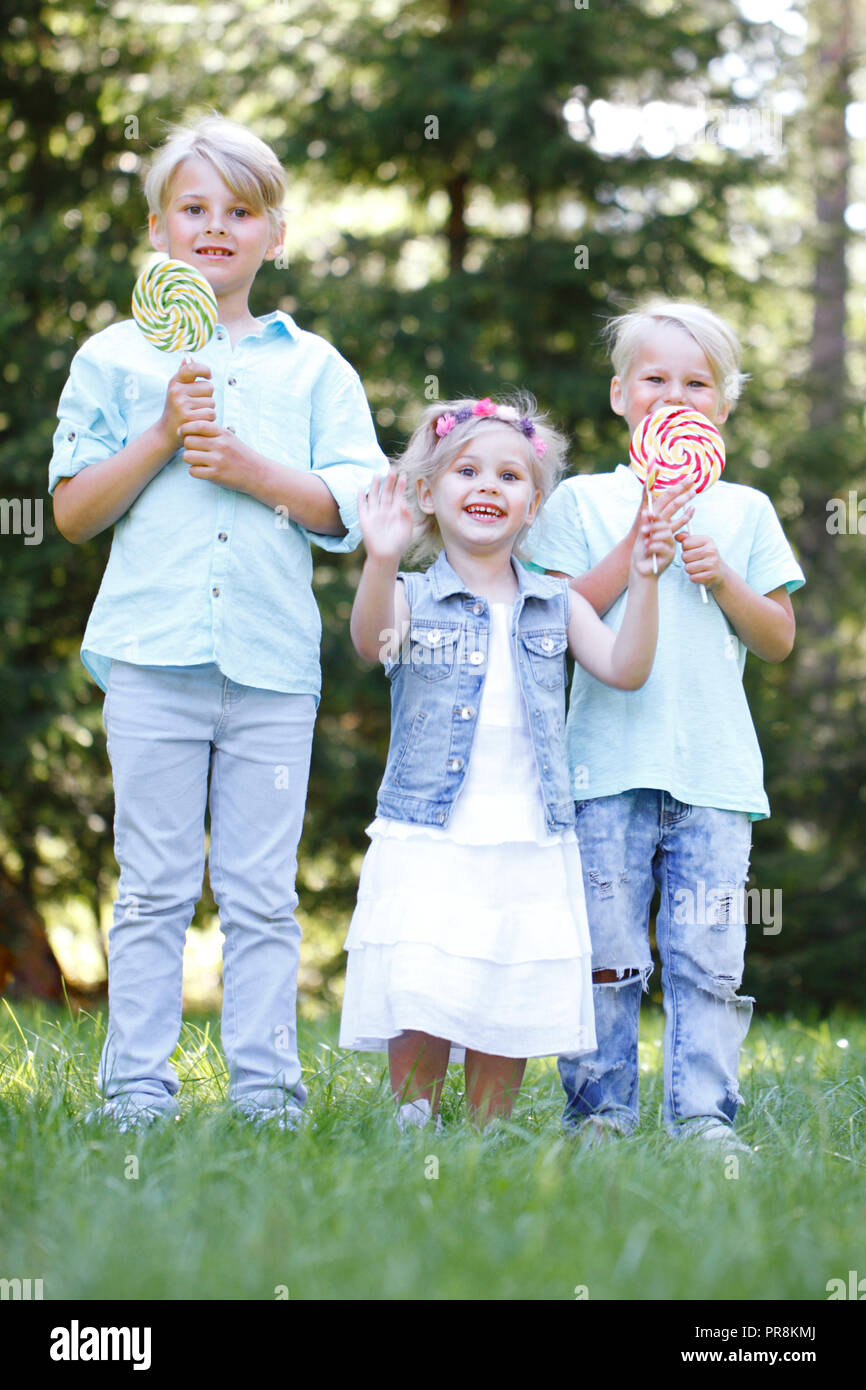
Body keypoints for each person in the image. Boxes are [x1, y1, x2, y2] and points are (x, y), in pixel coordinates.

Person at [49, 115, 388, 1131]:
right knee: (152, 882)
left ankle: (266, 1091)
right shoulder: (114, 357)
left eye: (239, 212)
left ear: (273, 235)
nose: (214, 227)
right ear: (158, 231)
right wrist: (161, 431)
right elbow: (71, 511)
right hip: (152, 657)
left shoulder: (314, 368)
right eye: (193, 208)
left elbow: (354, 505)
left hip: (272, 665)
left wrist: (251, 470)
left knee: (260, 893)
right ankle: (136, 1089)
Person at [339, 394, 677, 1129]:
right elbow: (374, 644)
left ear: (534, 507)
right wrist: (381, 554)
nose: (489, 486)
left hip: (526, 828)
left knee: (510, 977)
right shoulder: (412, 596)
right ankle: (415, 1116)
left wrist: (645, 579)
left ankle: (490, 1127)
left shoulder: (556, 604)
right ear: (427, 494)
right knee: (425, 970)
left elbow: (625, 667)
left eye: (510, 477)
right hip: (433, 826)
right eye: (467, 470)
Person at [527, 300, 805, 1149]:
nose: (675, 396)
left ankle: (702, 1116)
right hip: (604, 768)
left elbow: (779, 639)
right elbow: (554, 613)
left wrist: (721, 579)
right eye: (656, 380)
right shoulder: (581, 500)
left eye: (698, 384)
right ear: (620, 396)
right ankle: (601, 1111)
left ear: (721, 409)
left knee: (709, 959)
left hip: (715, 775)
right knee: (607, 954)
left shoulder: (746, 510)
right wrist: (639, 541)